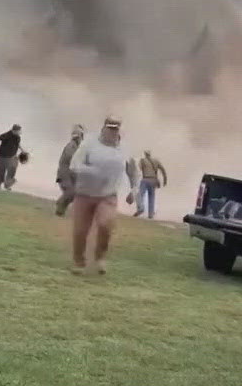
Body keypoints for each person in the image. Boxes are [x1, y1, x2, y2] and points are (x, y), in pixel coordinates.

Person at [66, 117, 139, 275]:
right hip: (84, 193)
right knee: (80, 230)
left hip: (107, 195)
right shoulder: (89, 144)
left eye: (116, 129)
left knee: (106, 223)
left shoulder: (124, 149)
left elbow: (133, 171)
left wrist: (134, 189)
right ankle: (79, 262)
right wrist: (92, 171)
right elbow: (74, 165)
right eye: (110, 128)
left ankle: (100, 257)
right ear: (103, 129)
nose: (112, 132)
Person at [53, 124, 85, 217]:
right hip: (64, 174)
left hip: (71, 174)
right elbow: (70, 157)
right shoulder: (71, 146)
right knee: (71, 192)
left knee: (75, 193)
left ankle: (60, 208)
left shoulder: (79, 147)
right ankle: (59, 206)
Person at [133, 149, 168, 219]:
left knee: (139, 195)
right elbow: (163, 169)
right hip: (153, 180)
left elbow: (138, 170)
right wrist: (165, 180)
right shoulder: (156, 161)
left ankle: (140, 208)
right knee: (151, 197)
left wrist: (135, 181)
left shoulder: (142, 161)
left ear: (145, 154)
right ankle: (150, 215)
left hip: (145, 179)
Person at [0, 124, 22, 190]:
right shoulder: (7, 135)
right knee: (1, 171)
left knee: (12, 170)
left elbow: (17, 144)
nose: (20, 132)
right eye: (19, 131)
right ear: (14, 131)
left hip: (12, 157)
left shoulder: (18, 137)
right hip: (2, 156)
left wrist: (23, 150)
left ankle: (7, 185)